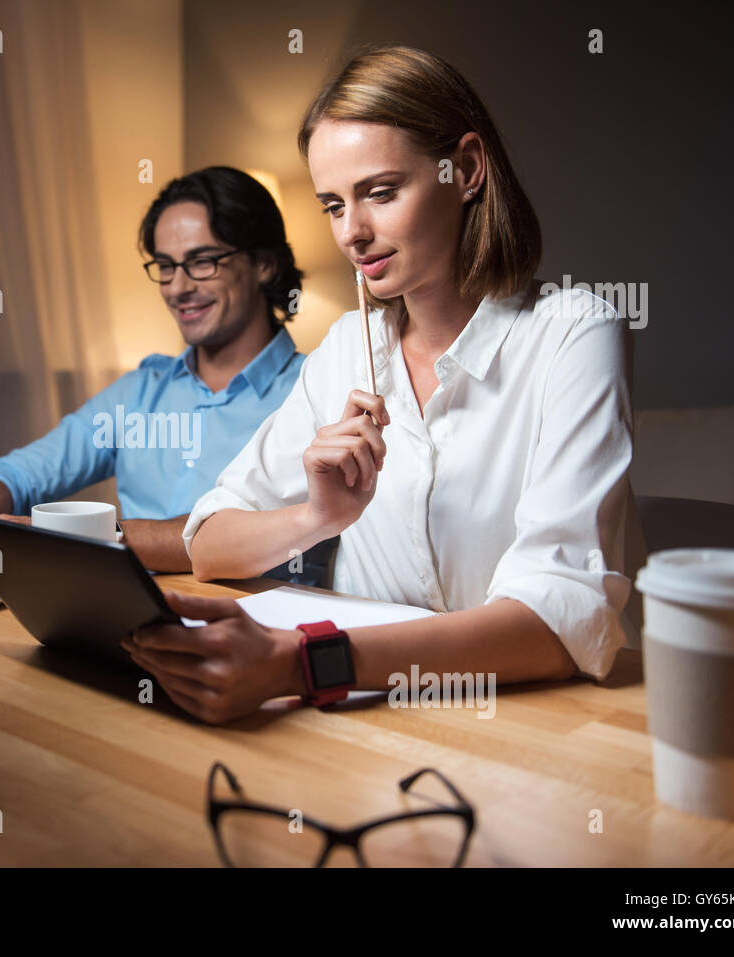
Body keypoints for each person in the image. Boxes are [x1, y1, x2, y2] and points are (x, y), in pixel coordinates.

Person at [127, 44, 646, 724]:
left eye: (380, 192)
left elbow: (559, 620)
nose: (353, 233)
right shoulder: (349, 346)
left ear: (465, 169)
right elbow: (210, 539)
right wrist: (316, 518)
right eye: (333, 205)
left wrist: (301, 661)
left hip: (538, 726)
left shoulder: (572, 332)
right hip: (369, 726)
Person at [0, 167, 322, 582]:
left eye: (202, 262)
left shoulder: (313, 391)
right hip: (128, 619)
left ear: (263, 264)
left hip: (259, 627)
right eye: (166, 266)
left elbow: (234, 528)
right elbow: (9, 476)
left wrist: (70, 536)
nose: (177, 287)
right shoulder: (139, 394)